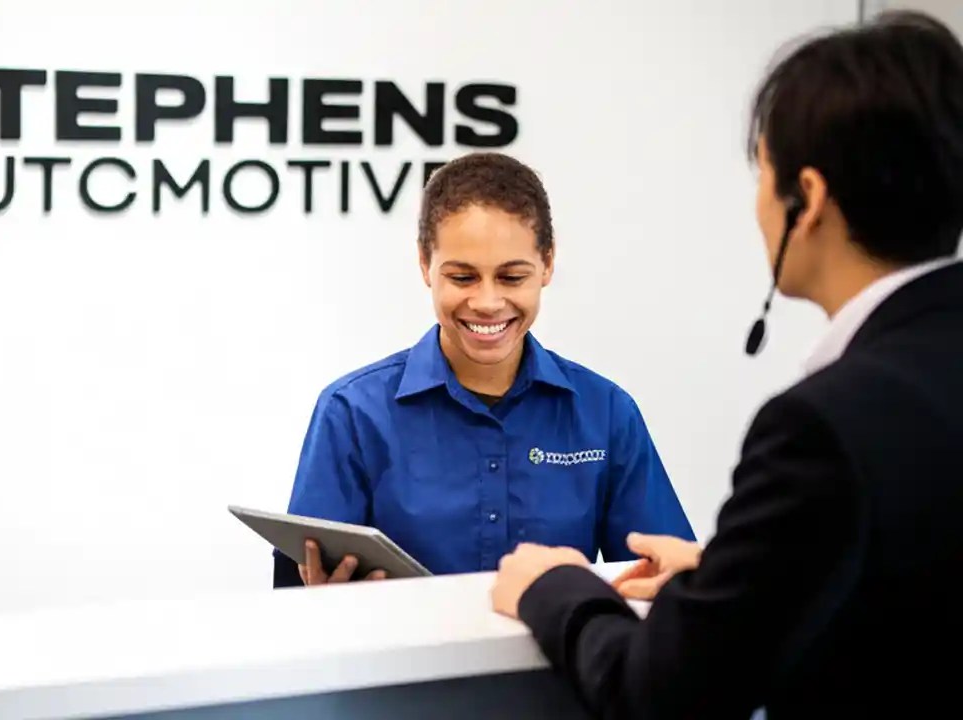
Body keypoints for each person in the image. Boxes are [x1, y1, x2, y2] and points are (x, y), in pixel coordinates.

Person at [491, 9, 963, 717]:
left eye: (762, 175)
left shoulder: (823, 427)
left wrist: (555, 587)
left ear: (806, 199)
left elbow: (664, 694)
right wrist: (733, 578)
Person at [276, 151, 695, 588]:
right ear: (425, 264)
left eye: (512, 277)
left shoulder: (606, 413)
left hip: (563, 656)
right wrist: (322, 600)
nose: (488, 302)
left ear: (547, 264)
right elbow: (294, 595)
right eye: (462, 277)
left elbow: (670, 586)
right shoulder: (352, 413)